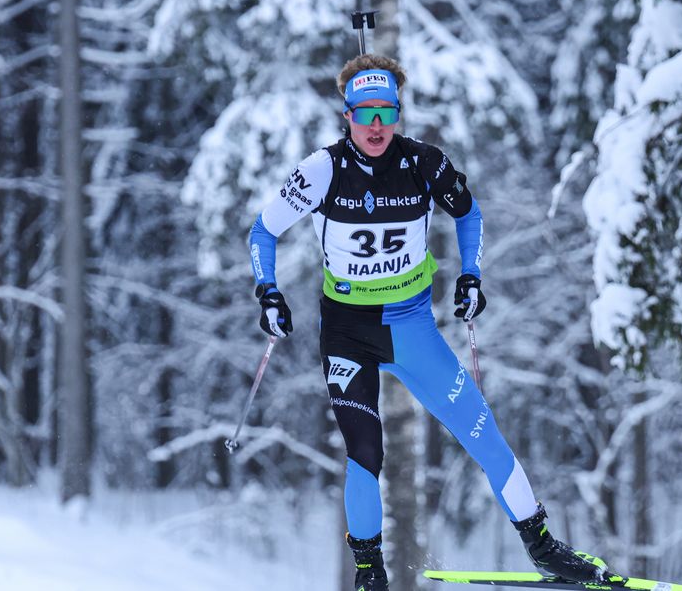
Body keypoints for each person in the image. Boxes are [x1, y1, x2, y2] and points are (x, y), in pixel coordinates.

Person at [246, 54, 611, 591]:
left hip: (412, 326)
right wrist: (268, 292)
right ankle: (370, 572)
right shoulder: (321, 170)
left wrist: (471, 275)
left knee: (482, 431)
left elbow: (468, 212)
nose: (375, 125)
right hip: (348, 332)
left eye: (386, 112)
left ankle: (543, 547)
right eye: (364, 112)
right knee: (365, 453)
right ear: (346, 114)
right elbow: (263, 232)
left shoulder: (424, 164)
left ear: (397, 113)